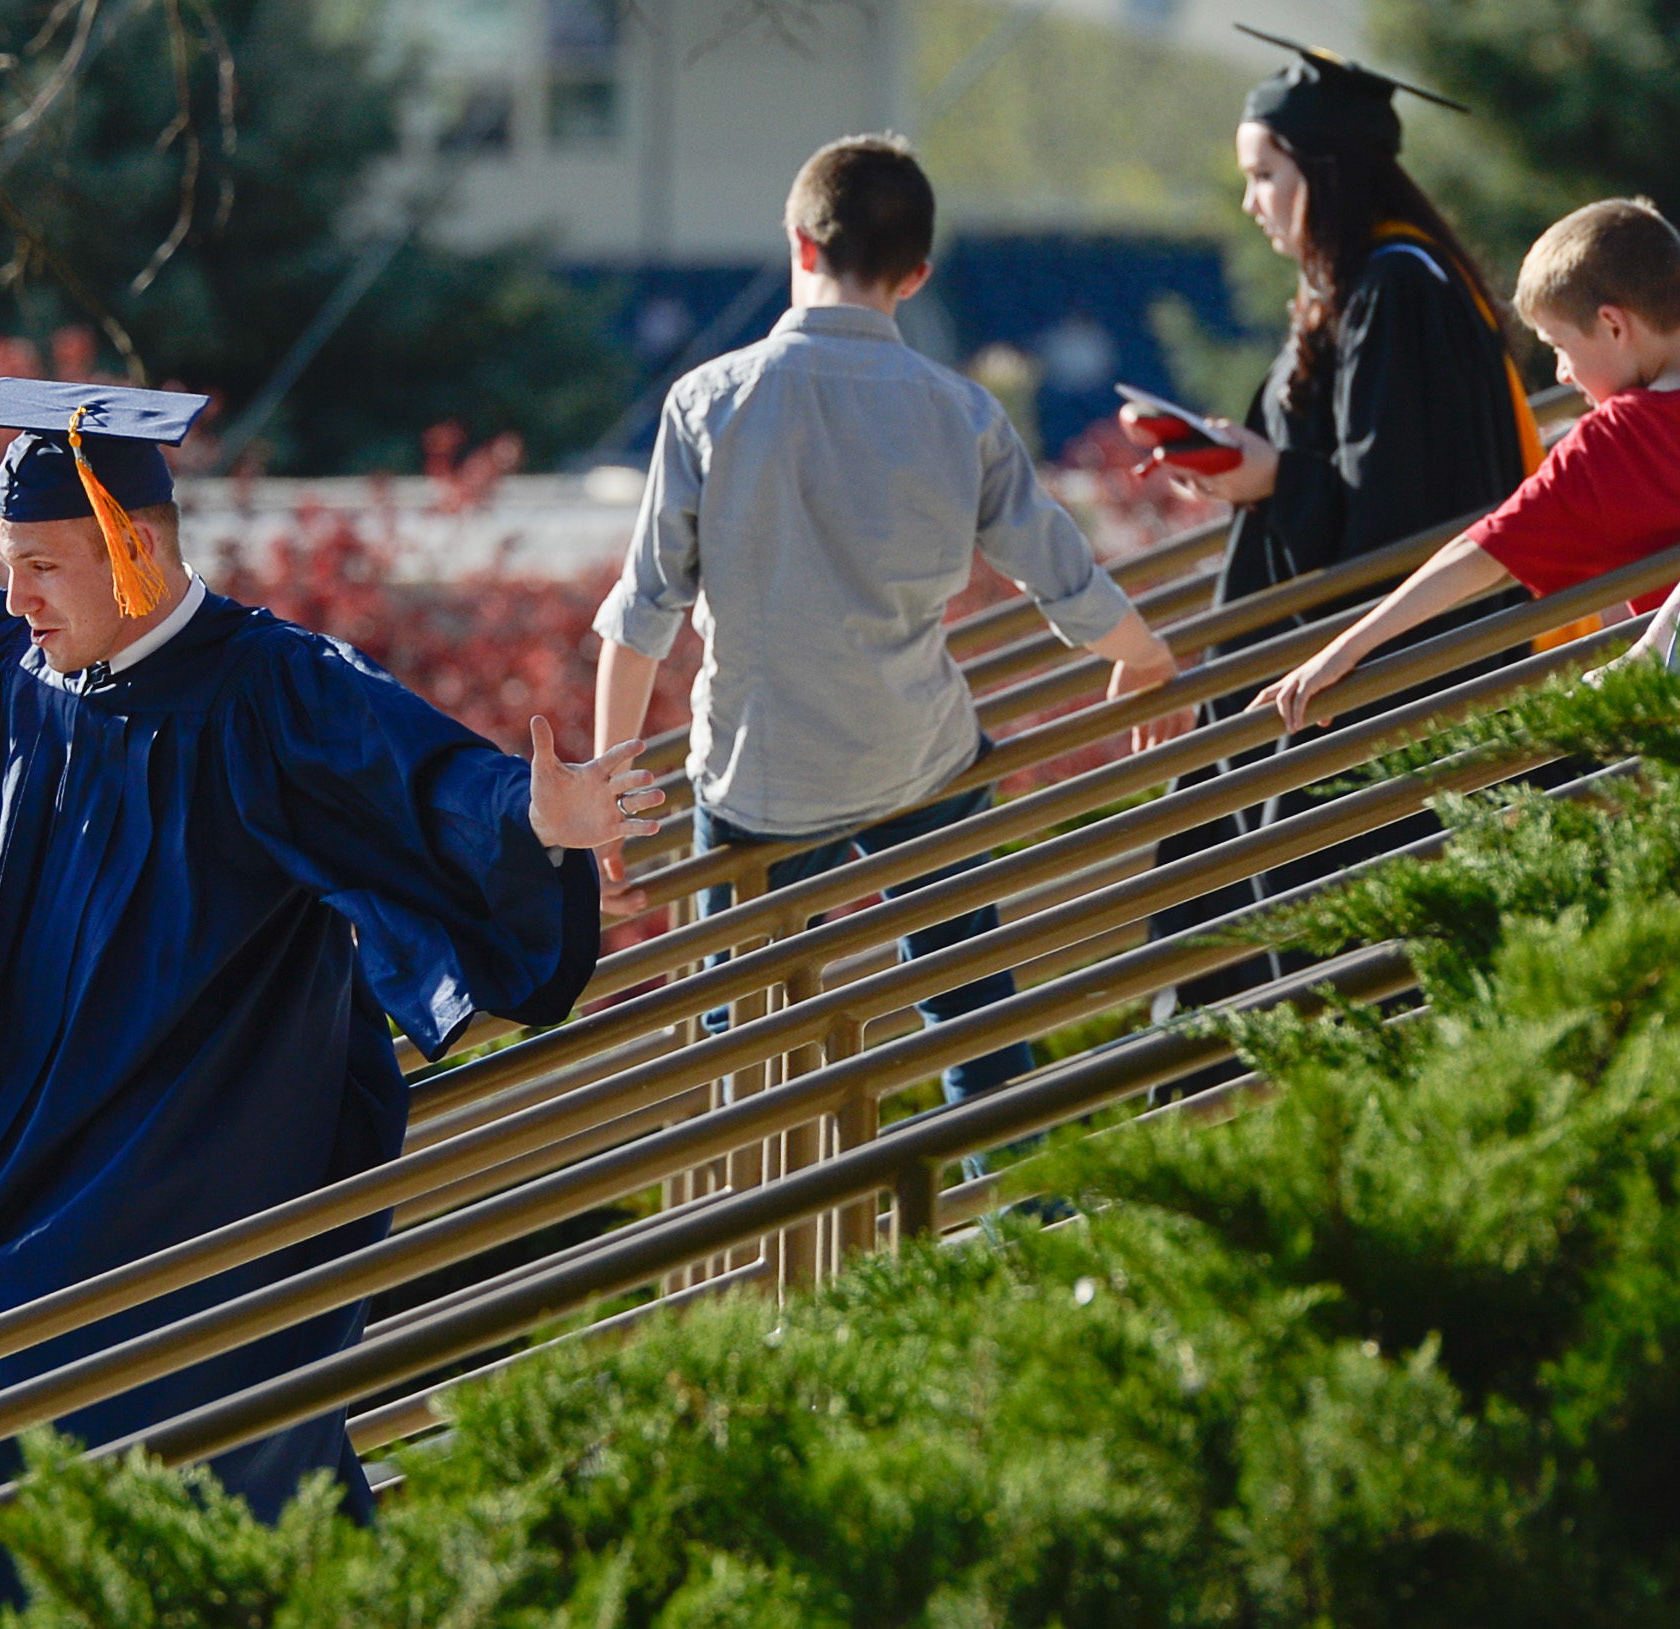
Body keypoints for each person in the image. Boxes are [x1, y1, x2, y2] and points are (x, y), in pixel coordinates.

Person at [0, 311, 652, 1577]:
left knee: (39, 1408)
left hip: (174, 1156)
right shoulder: (25, 674)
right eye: (4, 563)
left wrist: (538, 818)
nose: (15, 595)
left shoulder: (269, 691)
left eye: (42, 565)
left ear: (134, 547)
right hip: (2, 1139)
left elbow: (419, 778)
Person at [587, 132, 1188, 1125]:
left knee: (737, 1039)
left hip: (761, 777)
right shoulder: (963, 414)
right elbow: (1062, 574)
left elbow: (643, 611)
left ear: (798, 243)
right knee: (970, 1004)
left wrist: (611, 789)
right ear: (917, 275)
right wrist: (1147, 655)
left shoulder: (708, 402)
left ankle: (758, 1244)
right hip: (918, 756)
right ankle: (1019, 1200)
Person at [1139, 29, 1543, 1027]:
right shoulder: (1357, 288)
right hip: (1316, 667)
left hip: (1372, 688)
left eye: (1266, 174)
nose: (1252, 201)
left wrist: (1274, 474)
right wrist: (1255, 476)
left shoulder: (1398, 289)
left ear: (1327, 170)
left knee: (1308, 956)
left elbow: (1399, 514)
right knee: (1234, 924)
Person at [1261, 198, 1680, 724]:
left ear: (1613, 326)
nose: (1561, 375)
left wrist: (1346, 649)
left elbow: (1478, 554)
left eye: (1559, 347)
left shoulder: (1620, 441)